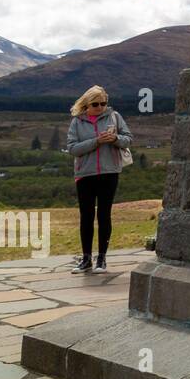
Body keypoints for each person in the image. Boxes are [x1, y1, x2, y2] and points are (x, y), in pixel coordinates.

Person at [65, 86, 132, 273]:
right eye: (96, 104)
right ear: (87, 104)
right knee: (86, 216)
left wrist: (115, 138)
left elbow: (128, 139)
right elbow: (72, 149)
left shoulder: (115, 117)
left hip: (109, 172)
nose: (100, 107)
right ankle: (86, 259)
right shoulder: (77, 122)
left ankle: (101, 259)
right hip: (85, 174)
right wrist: (97, 141)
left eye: (104, 103)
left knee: (104, 215)